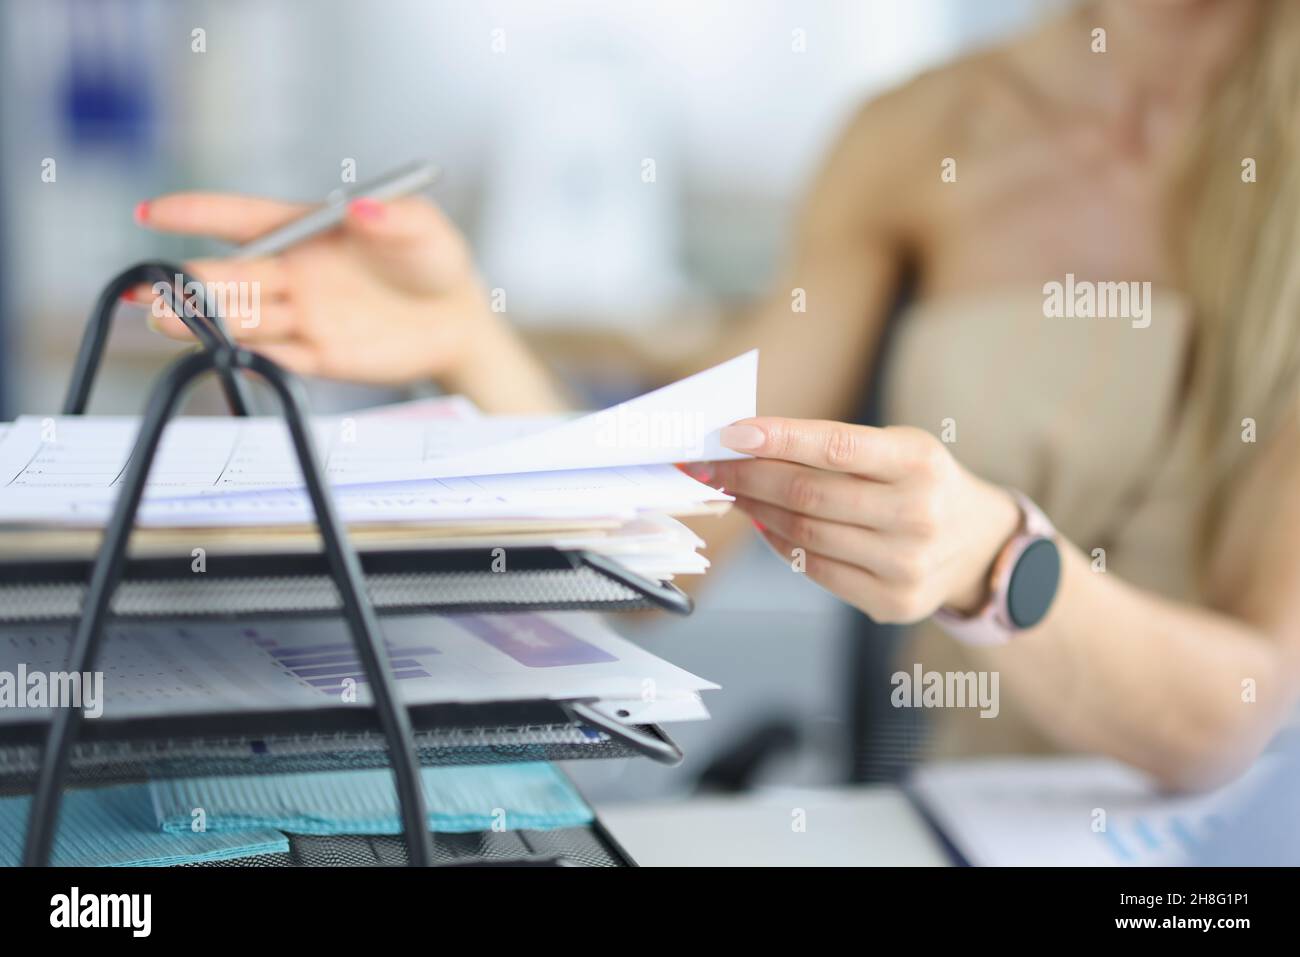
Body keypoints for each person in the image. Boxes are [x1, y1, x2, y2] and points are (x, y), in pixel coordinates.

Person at [133, 0, 1300, 789]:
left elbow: (1236, 716)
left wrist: (998, 561)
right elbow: (674, 547)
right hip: (954, 828)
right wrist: (460, 332)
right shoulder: (921, 134)